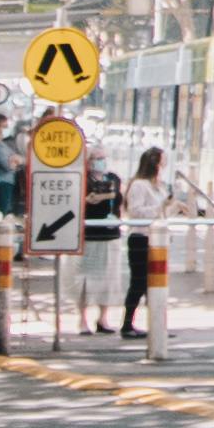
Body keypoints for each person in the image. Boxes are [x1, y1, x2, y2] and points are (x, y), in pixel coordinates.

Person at [119, 143, 169, 343]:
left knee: (155, 284)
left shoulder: (158, 185)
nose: (164, 165)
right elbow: (136, 211)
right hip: (141, 237)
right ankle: (127, 324)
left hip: (157, 239)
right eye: (162, 161)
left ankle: (157, 325)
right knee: (139, 282)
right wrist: (160, 206)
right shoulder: (139, 185)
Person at [79, 141, 124, 332]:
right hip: (90, 236)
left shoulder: (113, 178)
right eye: (97, 158)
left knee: (109, 279)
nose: (101, 162)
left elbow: (120, 201)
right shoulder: (83, 180)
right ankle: (82, 320)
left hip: (111, 235)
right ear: (88, 161)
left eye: (103, 158)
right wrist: (88, 200)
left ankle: (103, 318)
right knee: (87, 279)